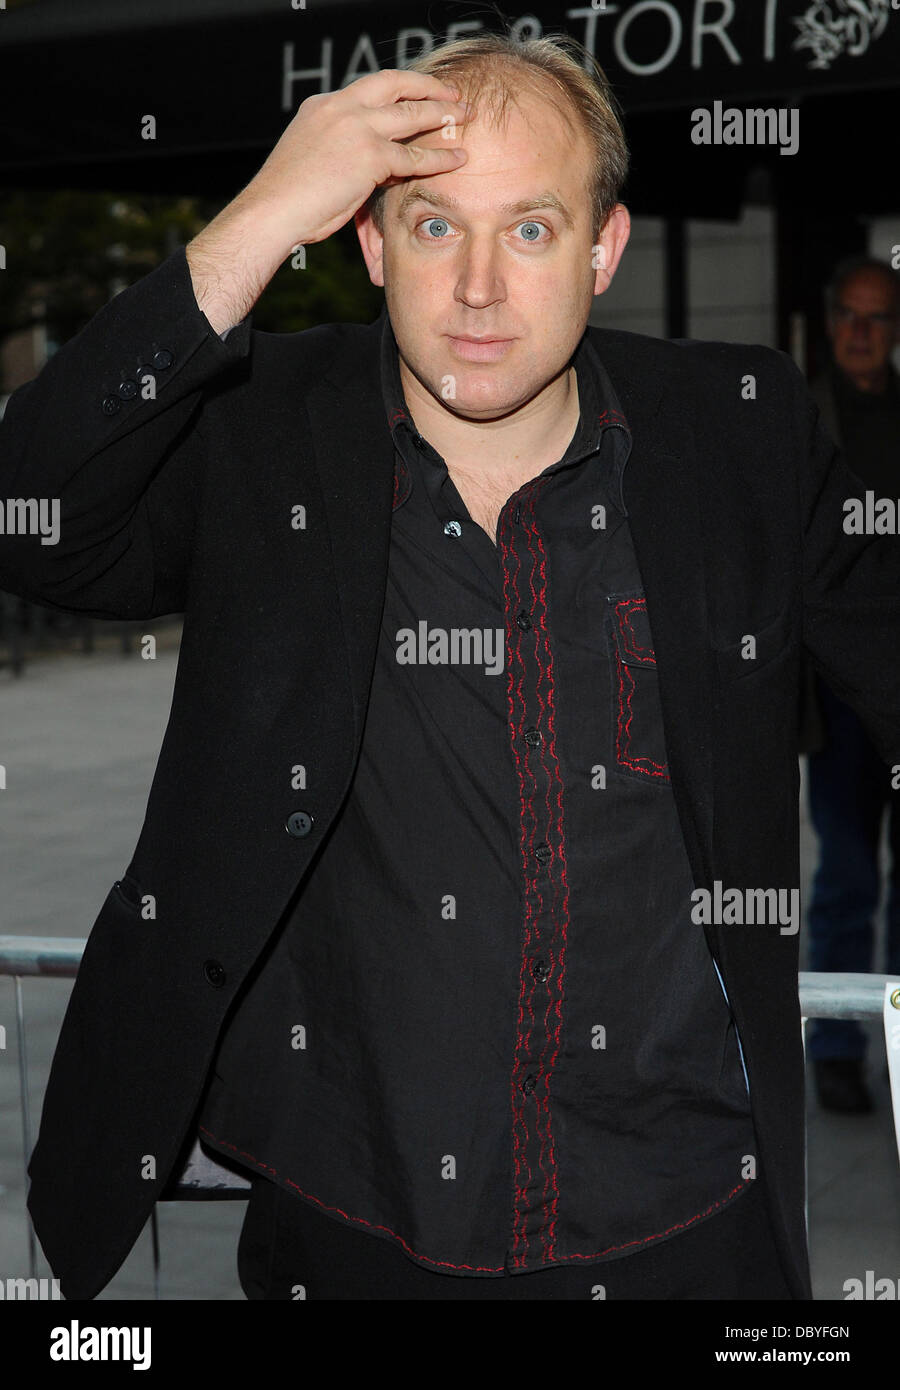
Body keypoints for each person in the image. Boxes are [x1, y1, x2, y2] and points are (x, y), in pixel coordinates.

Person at [4, 32, 900, 1302]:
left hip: (682, 1217)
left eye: (531, 231)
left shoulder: (734, 433)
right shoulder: (267, 436)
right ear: (368, 245)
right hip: (351, 1214)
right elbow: (31, 513)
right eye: (433, 229)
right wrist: (258, 217)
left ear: (603, 248)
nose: (478, 289)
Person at [804, 256, 900, 1114]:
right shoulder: (800, 418)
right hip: (839, 693)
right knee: (844, 871)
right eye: (851, 314)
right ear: (832, 319)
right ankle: (833, 1046)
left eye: (879, 317)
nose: (862, 332)